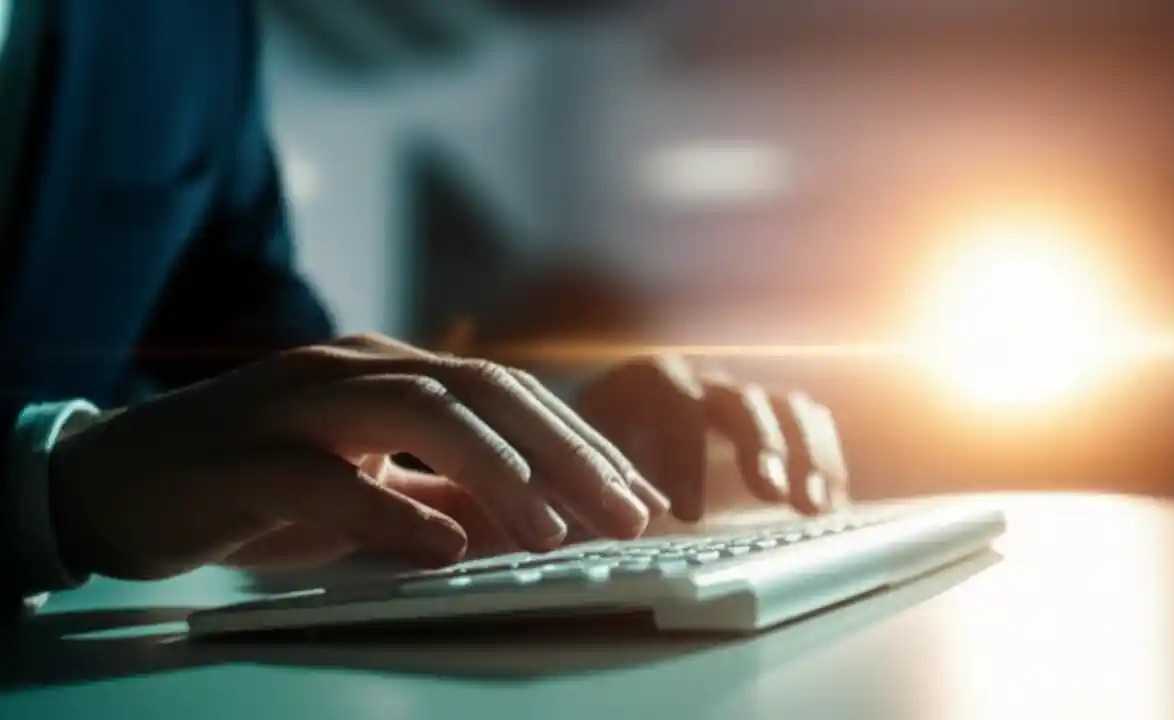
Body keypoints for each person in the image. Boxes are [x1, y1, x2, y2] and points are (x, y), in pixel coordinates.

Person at [0, 0, 847, 616]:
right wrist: (48, 487)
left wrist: (551, 458)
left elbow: (262, 410)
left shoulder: (197, 26)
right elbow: (131, 470)